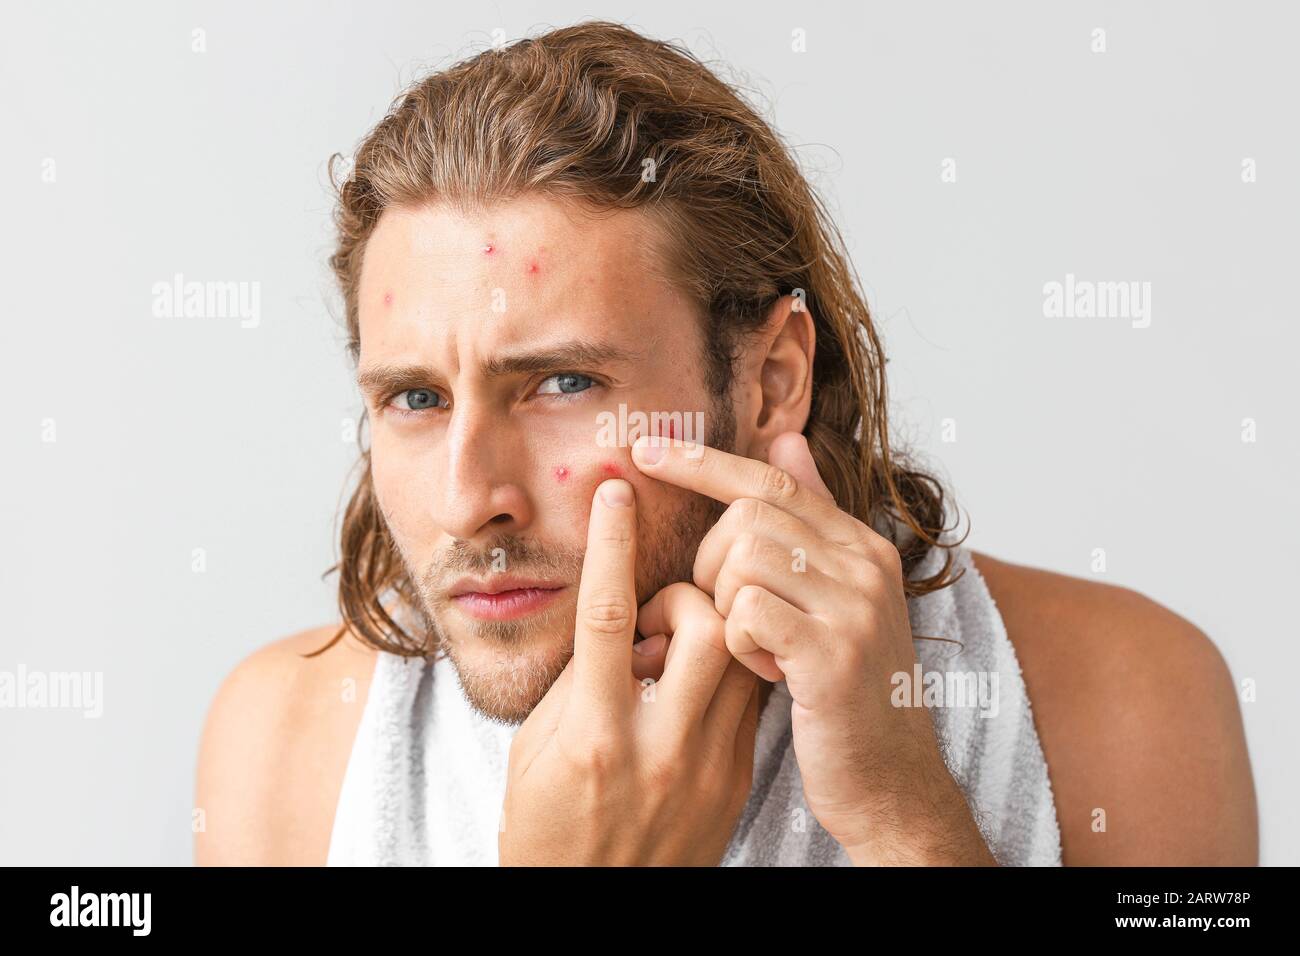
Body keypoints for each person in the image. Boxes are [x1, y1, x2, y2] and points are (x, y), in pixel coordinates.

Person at [194, 21, 1256, 866]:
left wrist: (903, 817)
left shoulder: (1119, 696)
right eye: (416, 399)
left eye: (563, 382)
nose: (472, 498)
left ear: (770, 379)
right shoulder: (288, 747)